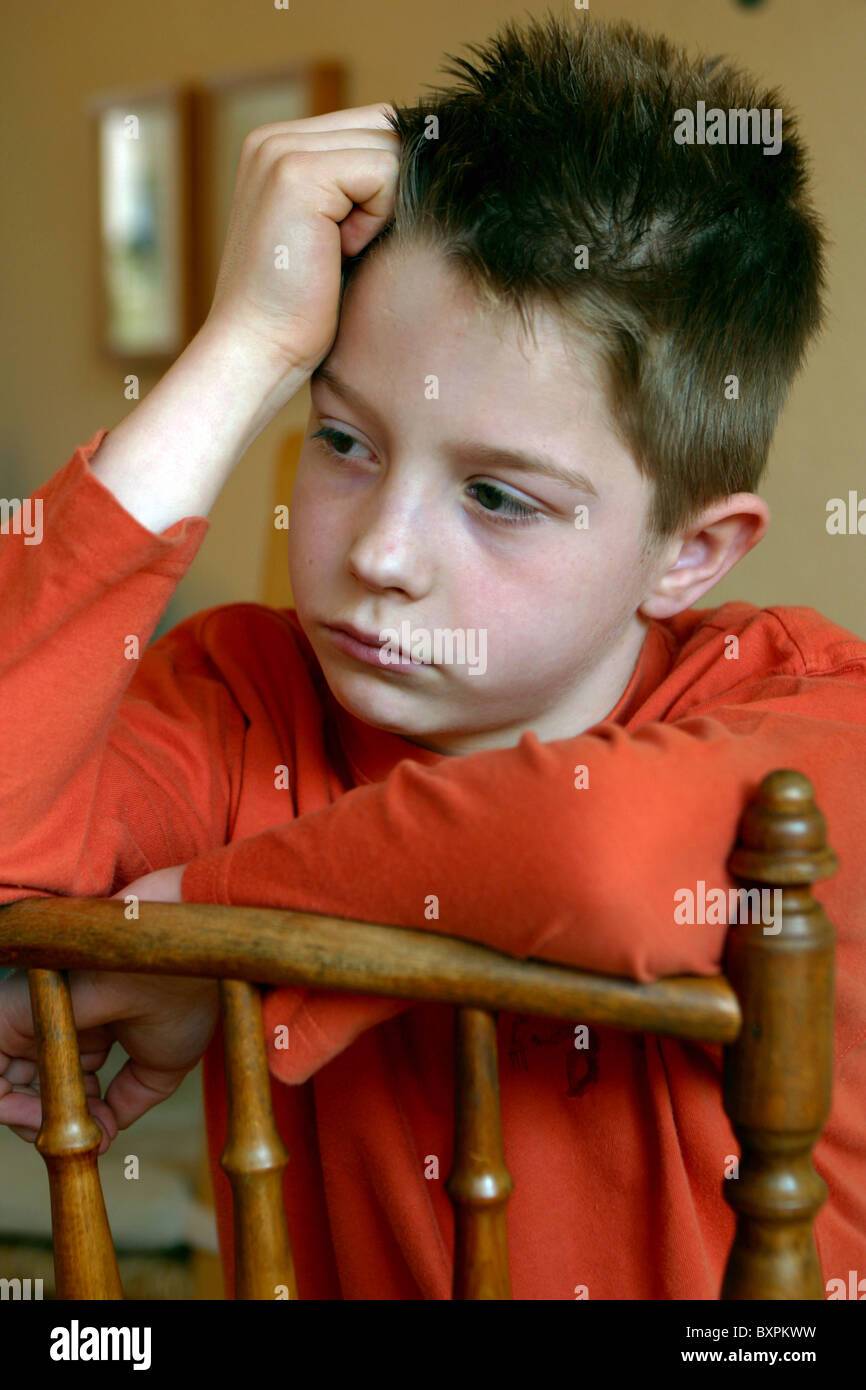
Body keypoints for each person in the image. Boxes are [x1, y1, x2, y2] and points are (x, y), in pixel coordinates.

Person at [1, 12, 864, 1300]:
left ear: (691, 553)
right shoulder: (246, 700)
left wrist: (197, 926)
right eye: (343, 440)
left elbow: (601, 856)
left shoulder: (810, 711)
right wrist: (240, 348)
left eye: (499, 499)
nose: (380, 553)